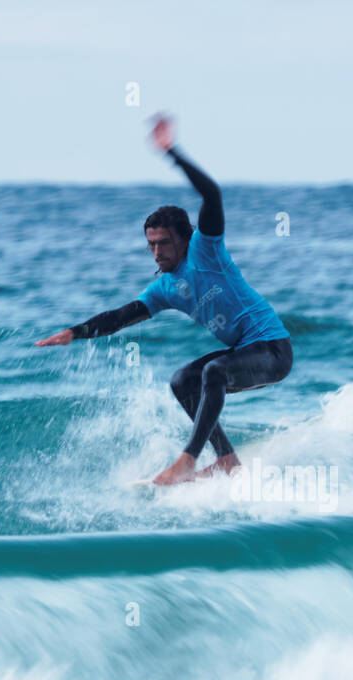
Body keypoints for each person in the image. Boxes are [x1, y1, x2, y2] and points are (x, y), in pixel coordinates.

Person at [36, 114, 292, 485]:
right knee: (182, 380)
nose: (156, 252)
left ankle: (187, 462)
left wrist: (171, 150)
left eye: (164, 243)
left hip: (273, 350)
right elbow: (121, 316)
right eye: (151, 244)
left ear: (184, 238)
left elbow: (212, 194)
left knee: (213, 371)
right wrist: (75, 332)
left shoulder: (207, 253)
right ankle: (227, 459)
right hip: (244, 353)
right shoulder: (165, 288)